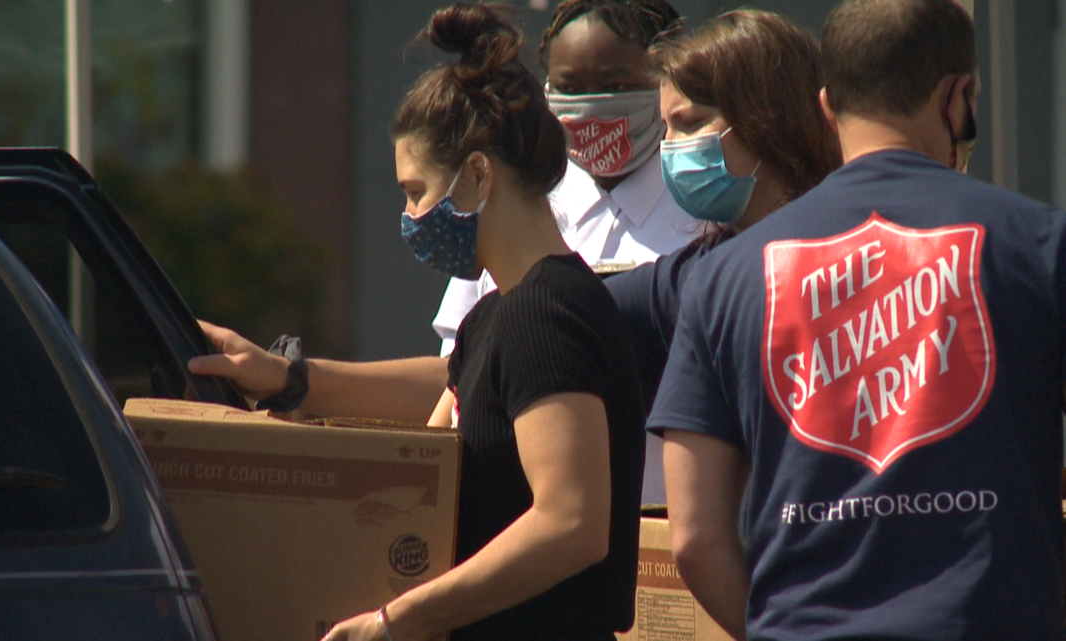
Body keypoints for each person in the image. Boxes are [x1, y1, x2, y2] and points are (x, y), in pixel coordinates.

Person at [190, 8, 840, 507]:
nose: (673, 145)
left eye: (620, 85)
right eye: (570, 85)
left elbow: (578, 522)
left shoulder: (761, 241)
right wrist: (295, 379)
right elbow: (476, 369)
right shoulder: (671, 275)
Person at [649, 1, 1066, 639]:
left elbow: (695, 537)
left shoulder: (721, 277)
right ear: (958, 96)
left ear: (826, 105)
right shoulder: (1041, 245)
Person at [304, 4, 643, 639]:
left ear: (479, 172)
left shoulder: (547, 314)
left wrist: (396, 621)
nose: (410, 216)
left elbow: (571, 522)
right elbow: (424, 465)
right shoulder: (492, 317)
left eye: (415, 191)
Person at [605, 9, 840, 503]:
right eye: (665, 128)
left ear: (765, 119)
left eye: (689, 123)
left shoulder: (847, 248)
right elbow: (574, 309)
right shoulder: (698, 274)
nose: (670, 149)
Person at [431, 0, 696, 358]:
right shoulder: (506, 201)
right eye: (571, 89)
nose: (591, 105)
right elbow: (456, 372)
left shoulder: (703, 211)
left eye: (616, 86)